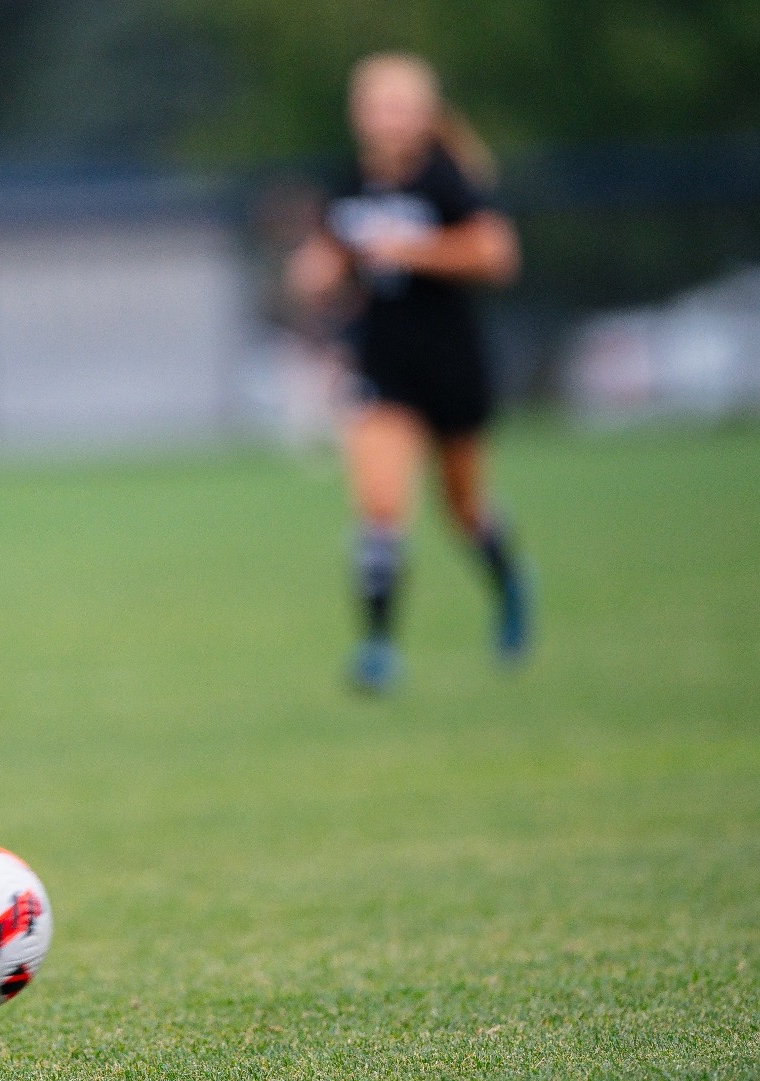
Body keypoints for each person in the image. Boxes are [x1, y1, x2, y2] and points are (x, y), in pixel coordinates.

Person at [285, 53, 531, 693]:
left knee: (463, 509)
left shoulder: (447, 180)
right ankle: (377, 650)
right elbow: (333, 254)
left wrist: (414, 250)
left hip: (451, 364)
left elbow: (497, 255)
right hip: (382, 364)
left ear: (423, 114)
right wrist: (316, 271)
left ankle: (508, 582)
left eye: (397, 105)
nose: (384, 118)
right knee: (381, 506)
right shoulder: (348, 185)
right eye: (374, 106)